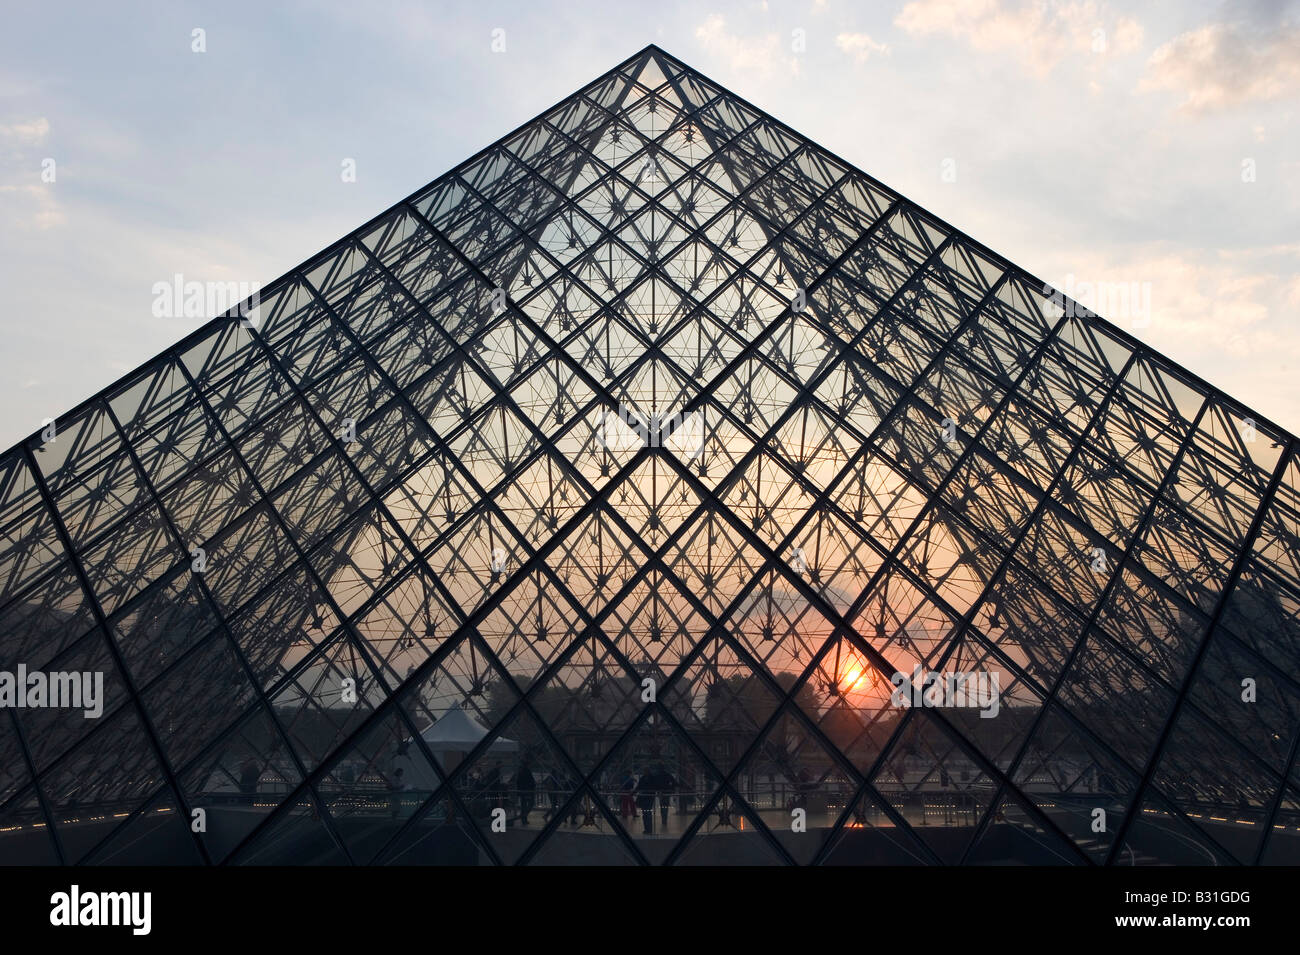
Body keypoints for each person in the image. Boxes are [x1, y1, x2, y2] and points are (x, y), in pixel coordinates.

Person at [634, 768, 657, 834]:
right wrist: (634, 792)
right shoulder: (646, 778)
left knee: (647, 813)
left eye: (645, 771)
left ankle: (648, 829)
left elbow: (639, 787)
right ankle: (647, 829)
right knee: (645, 813)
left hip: (648, 797)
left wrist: (634, 793)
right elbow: (639, 786)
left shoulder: (648, 778)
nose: (645, 772)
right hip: (645, 797)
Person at [516, 759, 536, 826]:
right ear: (527, 765)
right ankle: (524, 816)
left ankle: (523, 818)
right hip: (528, 791)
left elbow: (518, 782)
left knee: (523, 805)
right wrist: (532, 787)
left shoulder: (521, 771)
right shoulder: (527, 771)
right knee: (530, 803)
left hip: (523, 791)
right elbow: (531, 781)